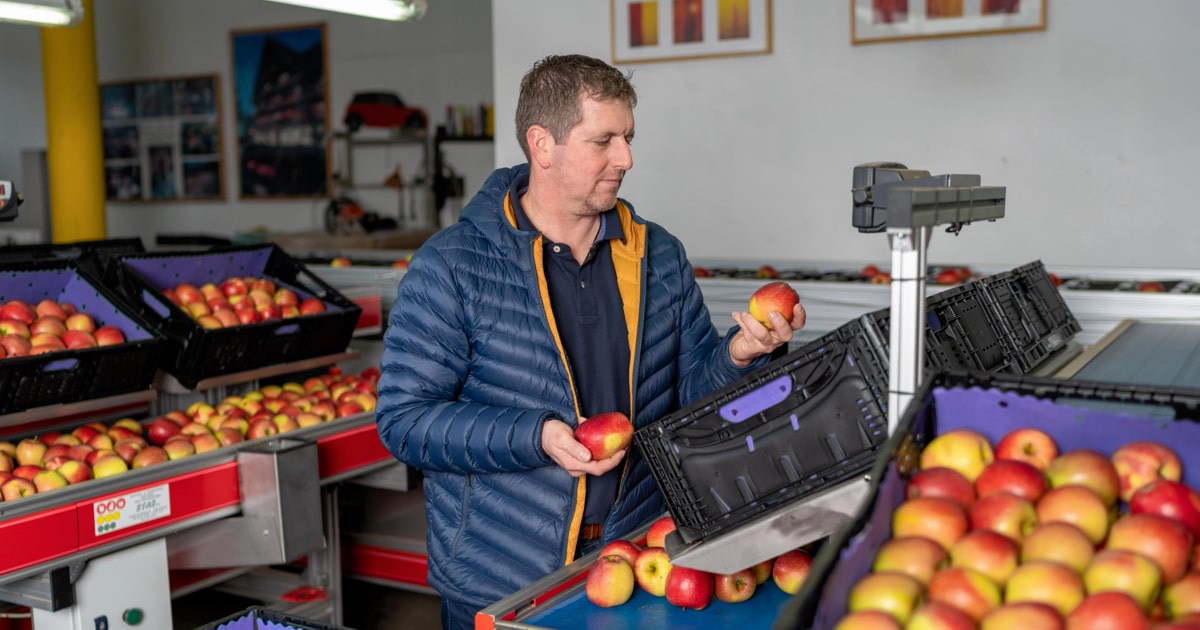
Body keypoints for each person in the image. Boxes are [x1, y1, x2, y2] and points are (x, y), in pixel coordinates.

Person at [374, 53, 807, 630]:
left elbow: (692, 396)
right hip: (504, 578)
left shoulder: (657, 254)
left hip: (639, 552)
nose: (626, 158)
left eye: (627, 138)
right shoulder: (451, 267)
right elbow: (404, 421)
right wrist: (536, 436)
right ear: (542, 145)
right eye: (603, 140)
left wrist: (738, 355)